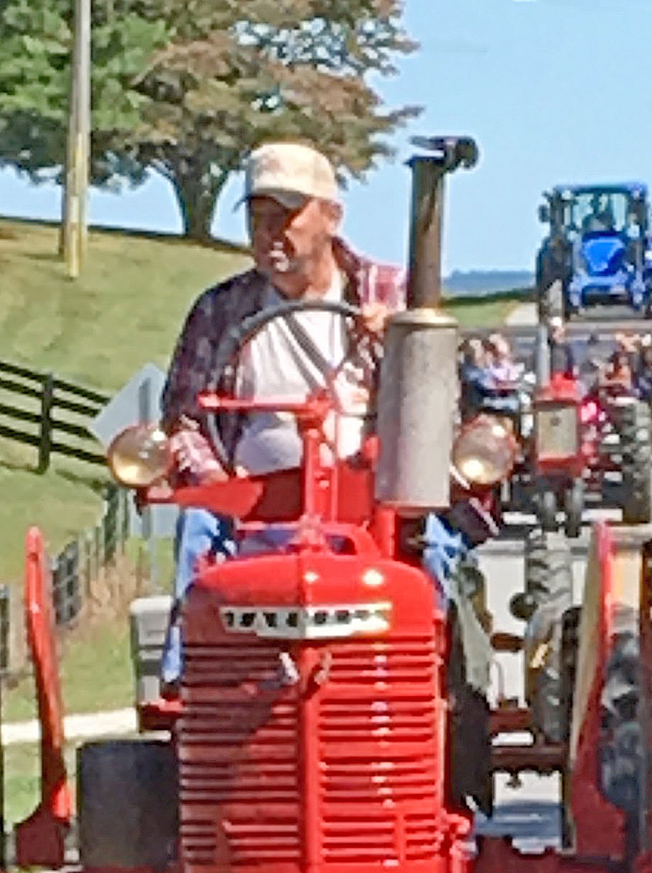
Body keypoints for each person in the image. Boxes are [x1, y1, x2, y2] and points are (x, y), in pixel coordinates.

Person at [156, 141, 471, 687]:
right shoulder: (220, 310)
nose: (270, 232)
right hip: (255, 500)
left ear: (331, 217)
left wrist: (392, 345)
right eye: (258, 217)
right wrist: (220, 485)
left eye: (286, 216)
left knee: (434, 542)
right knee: (197, 526)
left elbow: (440, 405)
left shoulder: (389, 293)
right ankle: (190, 686)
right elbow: (185, 421)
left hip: (372, 494)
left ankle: (431, 674)